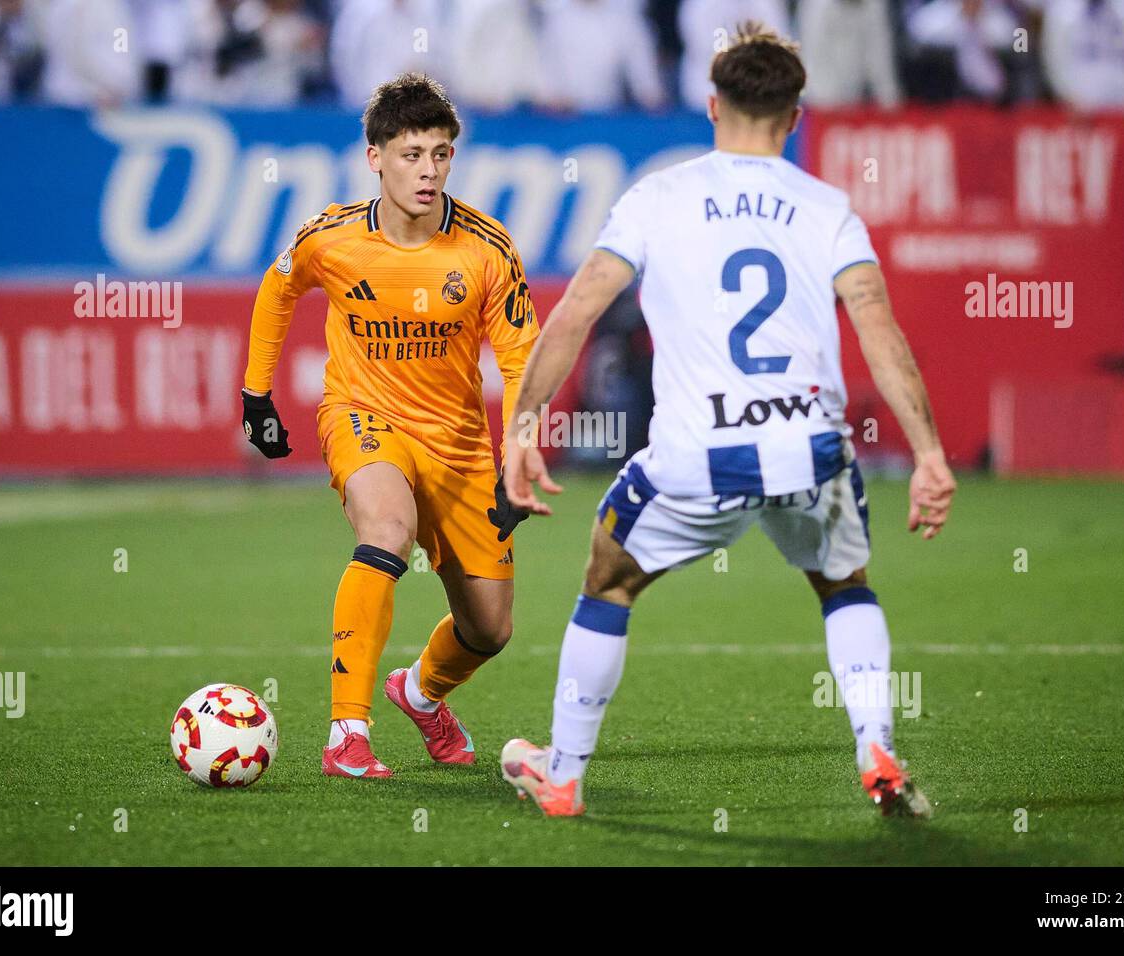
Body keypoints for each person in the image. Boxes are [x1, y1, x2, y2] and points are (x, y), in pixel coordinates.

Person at [498, 24, 956, 817]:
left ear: (712, 105)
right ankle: (875, 743)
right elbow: (878, 326)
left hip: (698, 454)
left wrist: (522, 428)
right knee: (843, 583)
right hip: (811, 448)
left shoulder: (658, 197)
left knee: (607, 580)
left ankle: (564, 772)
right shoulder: (826, 208)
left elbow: (574, 312)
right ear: (795, 116)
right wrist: (929, 454)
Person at [240, 73, 540, 779]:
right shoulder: (333, 237)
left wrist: (518, 452)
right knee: (385, 532)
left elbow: (524, 359)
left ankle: (421, 691)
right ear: (374, 157)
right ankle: (347, 733)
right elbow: (278, 288)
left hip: (459, 443)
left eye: (441, 153)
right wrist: (257, 396)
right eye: (411, 154)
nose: (428, 170)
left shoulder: (487, 248)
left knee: (488, 629)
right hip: (364, 418)